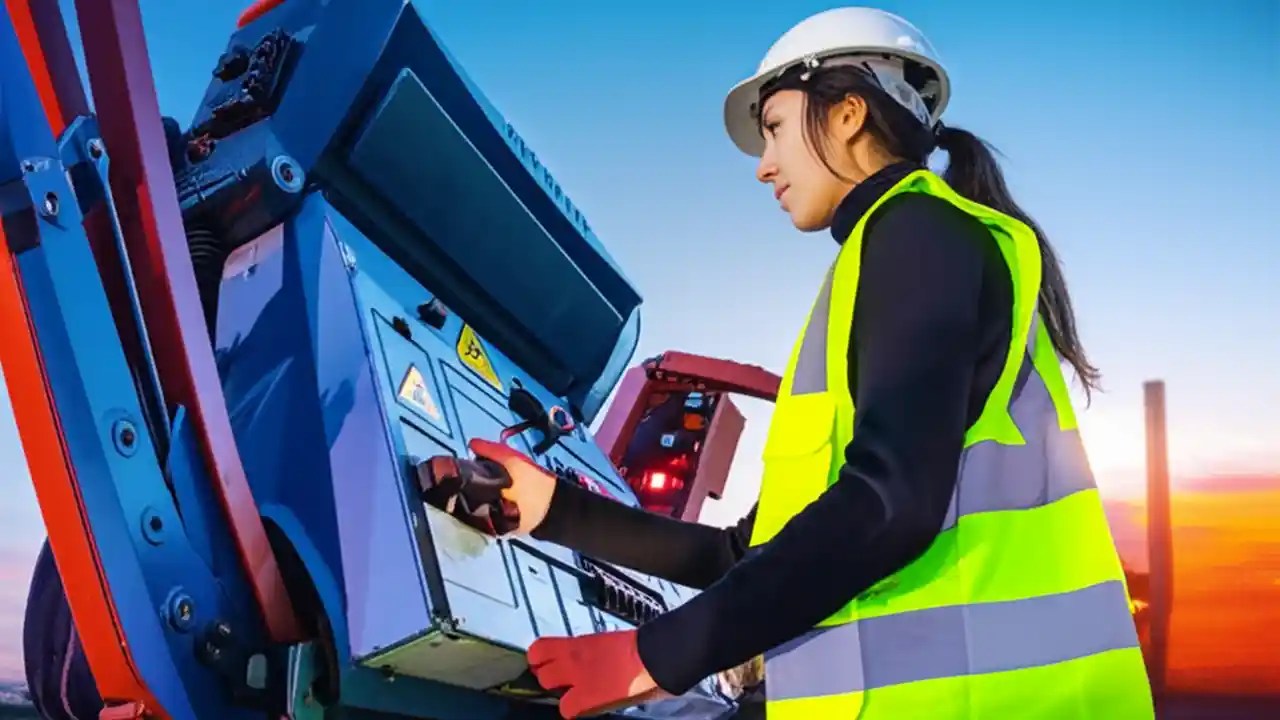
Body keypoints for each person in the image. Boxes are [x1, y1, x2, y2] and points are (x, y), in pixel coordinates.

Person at [465, 7, 1155, 719]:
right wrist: (554, 511)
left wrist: (654, 658)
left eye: (774, 128)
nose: (764, 164)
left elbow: (889, 505)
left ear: (849, 112)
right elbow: (746, 552)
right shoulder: (879, 263)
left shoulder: (918, 234)